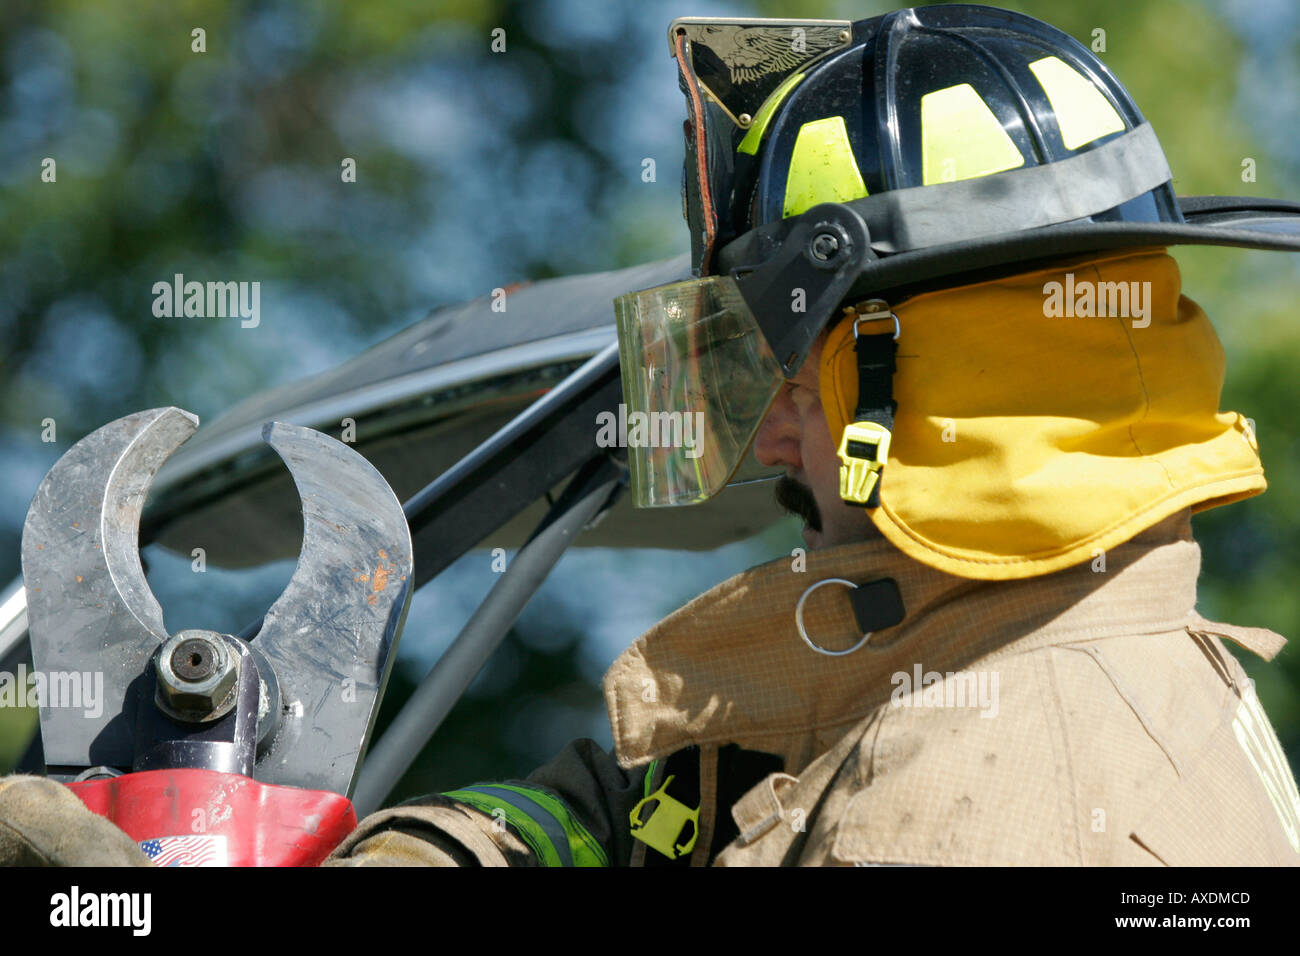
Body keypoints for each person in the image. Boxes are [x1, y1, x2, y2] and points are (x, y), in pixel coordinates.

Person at [4, 4, 1299, 868]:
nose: (769, 434)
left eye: (795, 368)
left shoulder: (1009, 791)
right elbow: (632, 816)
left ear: (962, 378)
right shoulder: (936, 645)